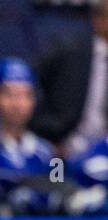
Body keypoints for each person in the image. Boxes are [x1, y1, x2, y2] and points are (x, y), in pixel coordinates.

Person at [31, 0, 108, 156]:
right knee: (56, 178)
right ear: (98, 20)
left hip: (103, 154)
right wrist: (49, 137)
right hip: (61, 148)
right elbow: (31, 86)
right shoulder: (67, 52)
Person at [0, 57, 57, 216]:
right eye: (9, 95)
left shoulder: (47, 153)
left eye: (25, 95)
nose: (17, 104)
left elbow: (58, 187)